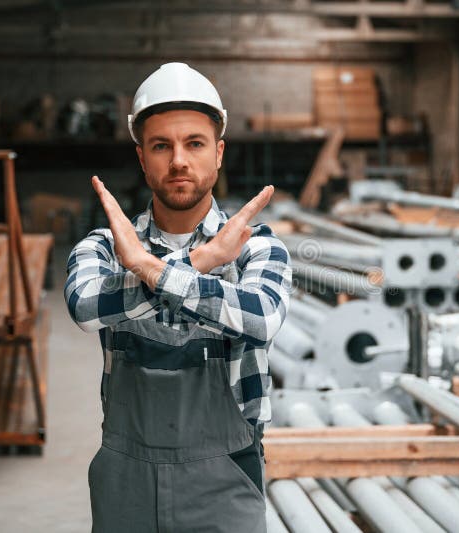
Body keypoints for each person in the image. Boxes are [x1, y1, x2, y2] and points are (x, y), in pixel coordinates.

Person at [64, 62, 292, 533]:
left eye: (194, 143)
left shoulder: (258, 247)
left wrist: (149, 270)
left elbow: (263, 316)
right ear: (142, 158)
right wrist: (200, 265)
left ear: (219, 152)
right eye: (161, 146)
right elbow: (85, 308)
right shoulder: (105, 246)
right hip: (126, 478)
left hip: (225, 476)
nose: (179, 161)